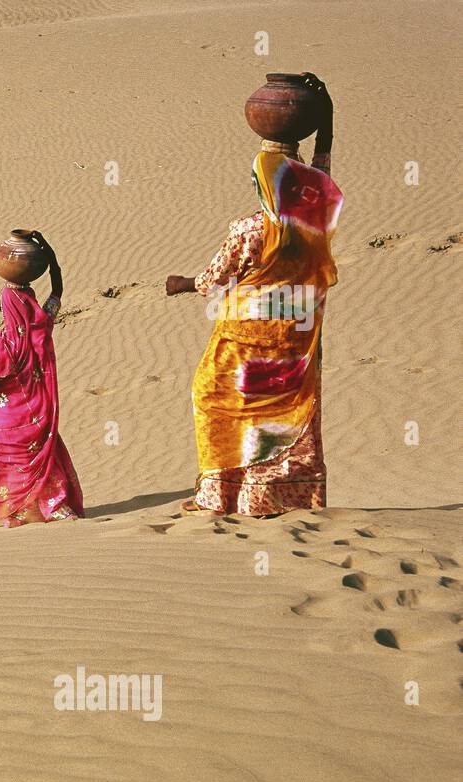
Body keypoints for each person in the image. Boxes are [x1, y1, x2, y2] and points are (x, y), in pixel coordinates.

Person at [165, 73, 341, 516]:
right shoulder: (311, 216)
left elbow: (214, 280)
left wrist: (183, 283)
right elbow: (320, 171)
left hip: (245, 338)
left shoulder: (248, 228)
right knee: (284, 410)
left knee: (215, 400)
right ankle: (274, 494)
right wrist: (327, 114)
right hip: (297, 337)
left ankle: (220, 495)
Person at [0, 231, 85, 526]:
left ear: (5, 310)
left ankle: (19, 511)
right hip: (37, 413)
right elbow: (57, 294)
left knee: (6, 461)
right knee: (44, 453)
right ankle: (53, 505)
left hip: (4, 420)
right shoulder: (42, 325)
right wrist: (50, 256)